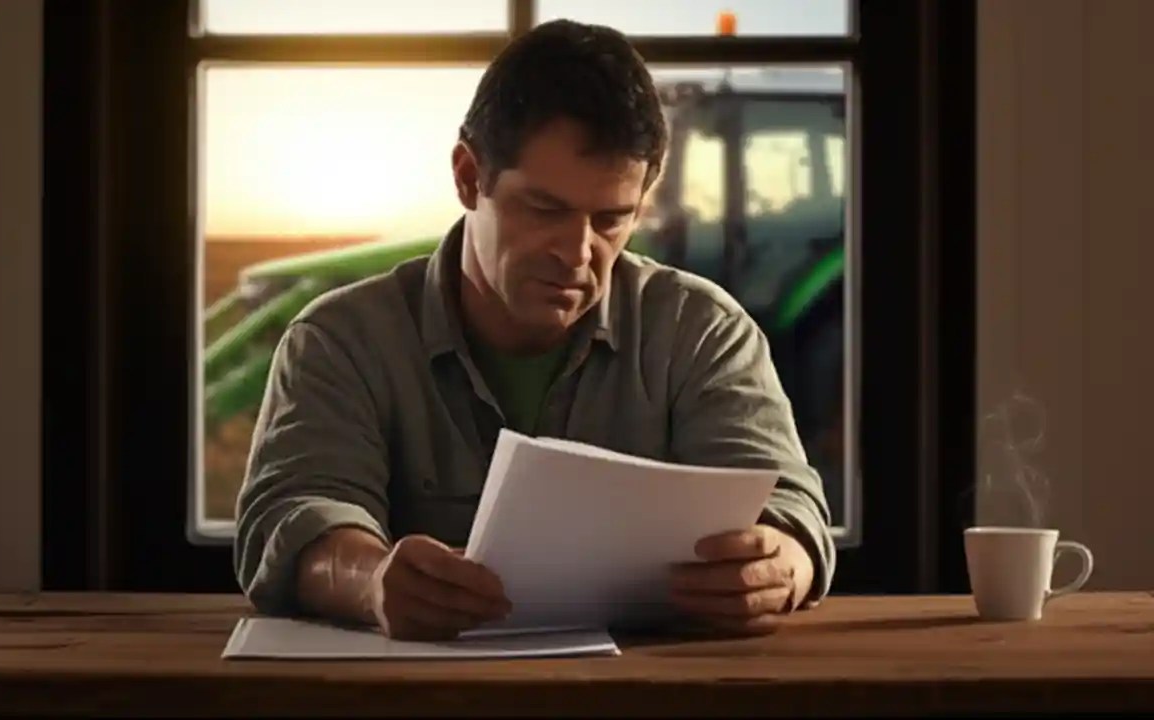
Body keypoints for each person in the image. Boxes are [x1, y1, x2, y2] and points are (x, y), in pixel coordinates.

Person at [233, 19, 835, 641]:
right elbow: (290, 513)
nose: (577, 253)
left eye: (610, 220)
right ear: (469, 176)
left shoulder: (703, 333)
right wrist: (372, 580)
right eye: (545, 210)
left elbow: (790, 511)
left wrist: (778, 566)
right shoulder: (341, 339)